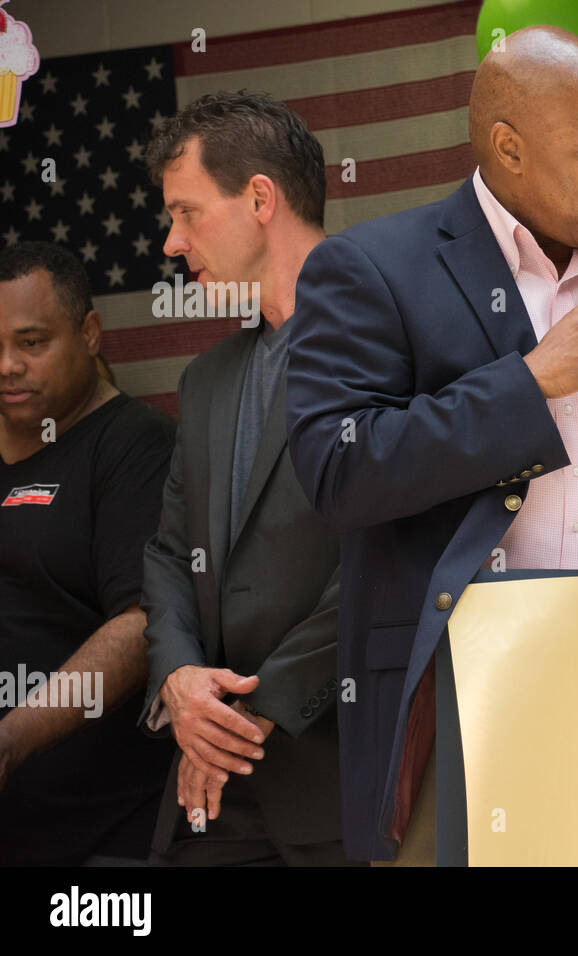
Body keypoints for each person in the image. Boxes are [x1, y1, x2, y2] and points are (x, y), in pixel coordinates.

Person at [285, 25, 578, 863]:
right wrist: (529, 384)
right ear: (509, 147)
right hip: (453, 690)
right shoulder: (372, 269)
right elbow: (339, 468)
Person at [138, 91, 352, 866]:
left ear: (260, 197)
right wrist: (181, 683)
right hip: (209, 798)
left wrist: (253, 713)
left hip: (342, 780)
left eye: (187, 212)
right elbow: (168, 555)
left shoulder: (394, 338)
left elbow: (393, 549)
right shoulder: (205, 380)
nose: (171, 240)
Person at [0, 241, 175, 864]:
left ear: (90, 333)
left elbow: (142, 625)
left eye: (31, 342)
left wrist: (11, 739)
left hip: (99, 835)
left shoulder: (137, 445)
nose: (7, 366)